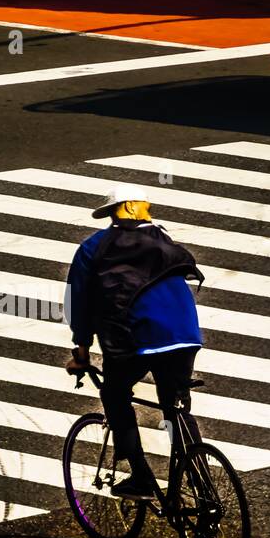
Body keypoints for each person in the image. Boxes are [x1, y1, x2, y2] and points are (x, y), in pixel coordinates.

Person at [64, 183, 205, 499]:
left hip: (135, 338)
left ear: (119, 210)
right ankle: (201, 483)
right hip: (184, 334)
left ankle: (142, 479)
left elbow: (78, 301)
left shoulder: (94, 247)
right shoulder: (163, 239)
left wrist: (81, 351)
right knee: (176, 407)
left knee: (114, 394)